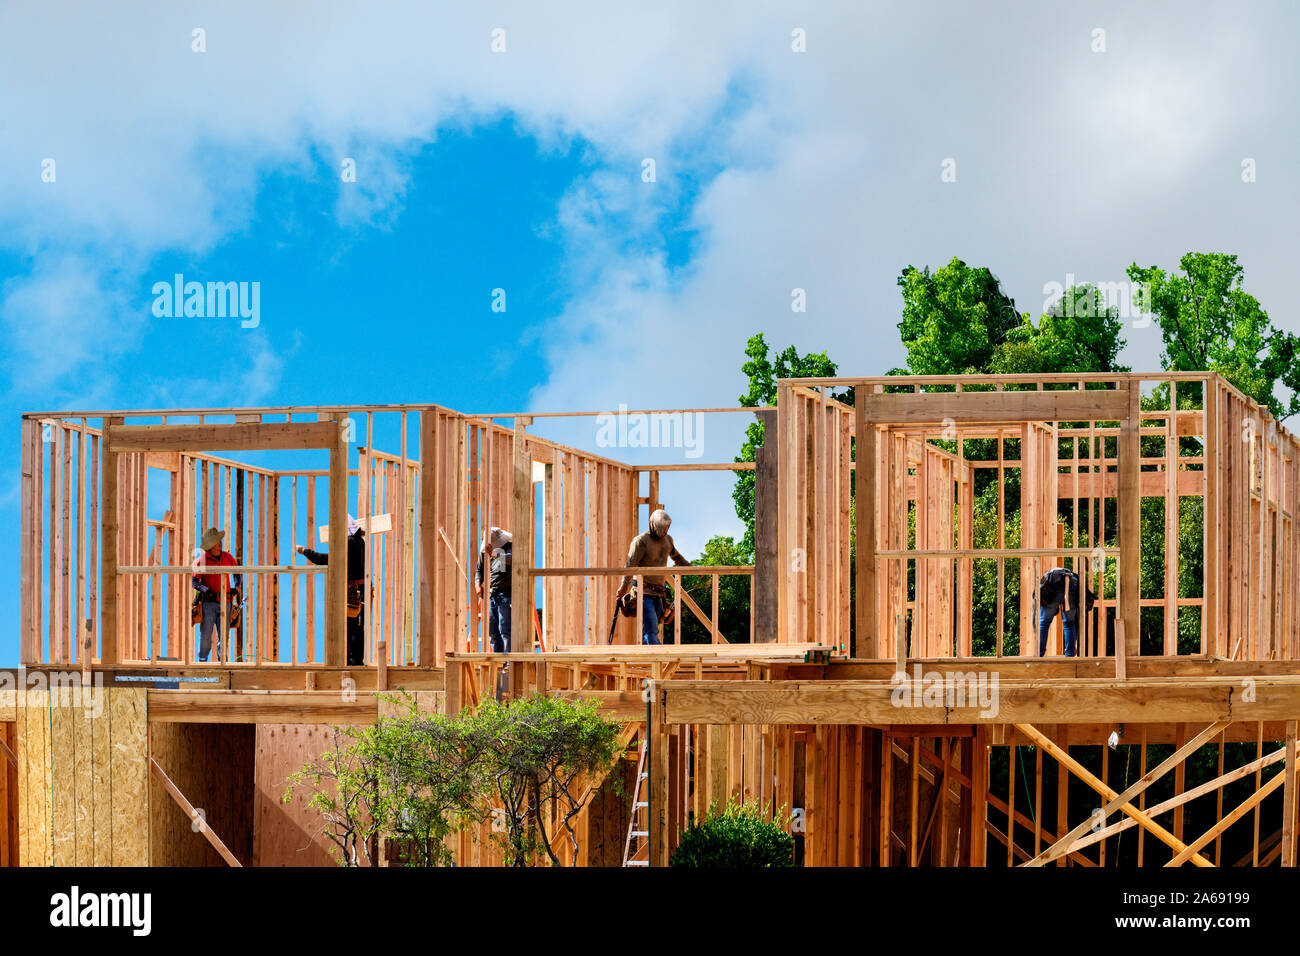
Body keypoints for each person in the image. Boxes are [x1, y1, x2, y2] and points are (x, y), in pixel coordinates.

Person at [298, 515, 367, 666]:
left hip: (352, 590)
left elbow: (328, 559)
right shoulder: (360, 542)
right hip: (361, 588)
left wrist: (305, 551)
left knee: (348, 626)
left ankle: (348, 661)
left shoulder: (349, 543)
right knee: (358, 626)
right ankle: (356, 661)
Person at [615, 509, 690, 645]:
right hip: (644, 593)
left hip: (660, 593)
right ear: (655, 526)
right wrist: (623, 587)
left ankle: (648, 658)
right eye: (664, 527)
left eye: (668, 527)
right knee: (650, 630)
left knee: (651, 631)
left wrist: (692, 569)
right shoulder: (641, 541)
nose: (666, 530)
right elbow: (630, 565)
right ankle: (661, 656)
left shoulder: (668, 540)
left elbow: (677, 558)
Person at [194, 528, 241, 663]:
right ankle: (202, 662)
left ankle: (223, 662)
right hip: (208, 604)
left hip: (225, 601)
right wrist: (205, 590)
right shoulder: (202, 560)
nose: (220, 543)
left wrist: (236, 587)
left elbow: (237, 572)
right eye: (216, 542)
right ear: (210, 546)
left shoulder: (227, 557)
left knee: (224, 635)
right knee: (206, 635)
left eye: (220, 541)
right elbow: (194, 581)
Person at [1037, 566, 1095, 657]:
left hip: (1053, 584)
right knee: (1069, 623)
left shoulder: (1048, 576)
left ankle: (1039, 653)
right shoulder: (1072, 576)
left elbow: (1041, 594)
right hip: (1072, 584)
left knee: (1044, 622)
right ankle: (1070, 654)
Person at [474, 527, 513, 653]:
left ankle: (508, 660)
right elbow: (479, 569)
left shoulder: (510, 548)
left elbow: (512, 559)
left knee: (505, 628)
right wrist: (477, 584)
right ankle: (498, 659)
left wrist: (496, 554)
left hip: (506, 593)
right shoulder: (485, 553)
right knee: (492, 630)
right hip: (493, 594)